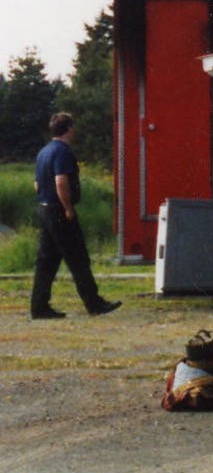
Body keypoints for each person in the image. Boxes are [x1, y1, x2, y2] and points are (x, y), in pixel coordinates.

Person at [30, 112, 120, 319]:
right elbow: (61, 181)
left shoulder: (44, 152)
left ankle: (39, 306)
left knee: (46, 261)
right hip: (59, 211)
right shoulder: (63, 152)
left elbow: (37, 184)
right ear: (69, 129)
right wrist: (68, 207)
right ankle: (94, 303)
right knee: (78, 258)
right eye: (74, 128)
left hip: (44, 209)